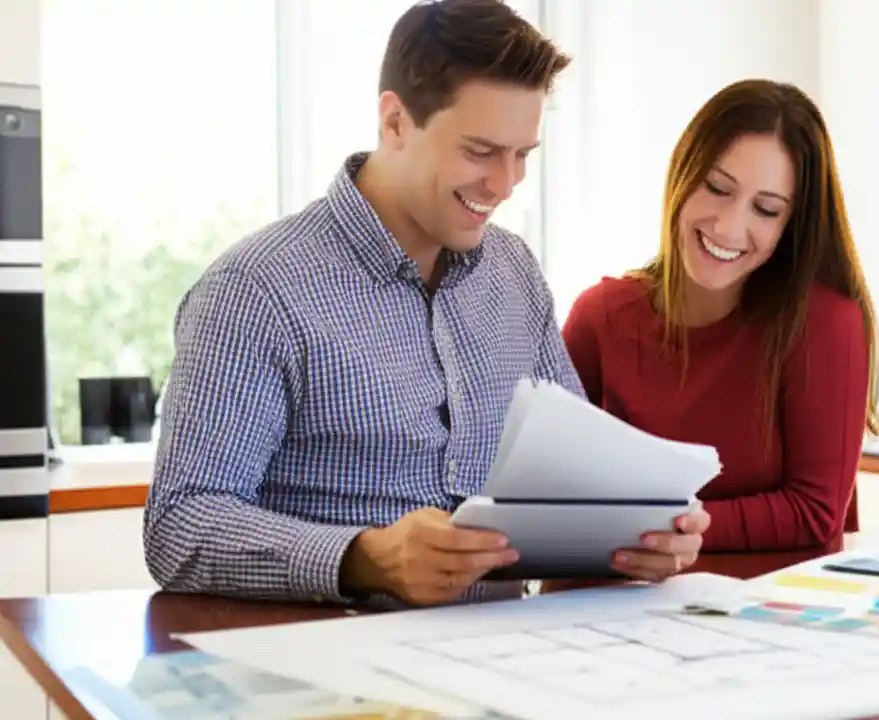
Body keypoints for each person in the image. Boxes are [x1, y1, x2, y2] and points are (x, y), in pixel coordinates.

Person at [143, 0, 709, 608]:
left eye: (523, 155)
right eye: (480, 151)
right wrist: (364, 557)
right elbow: (179, 525)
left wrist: (639, 536)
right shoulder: (257, 291)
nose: (505, 184)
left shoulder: (513, 273)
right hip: (334, 665)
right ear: (395, 123)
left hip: (506, 659)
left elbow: (577, 479)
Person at [561, 79, 879, 554]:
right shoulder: (601, 318)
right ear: (683, 174)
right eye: (716, 188)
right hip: (608, 606)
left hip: (762, 612)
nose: (730, 227)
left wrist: (681, 529)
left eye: (767, 210)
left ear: (790, 226)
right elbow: (547, 487)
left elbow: (816, 511)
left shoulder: (823, 325)